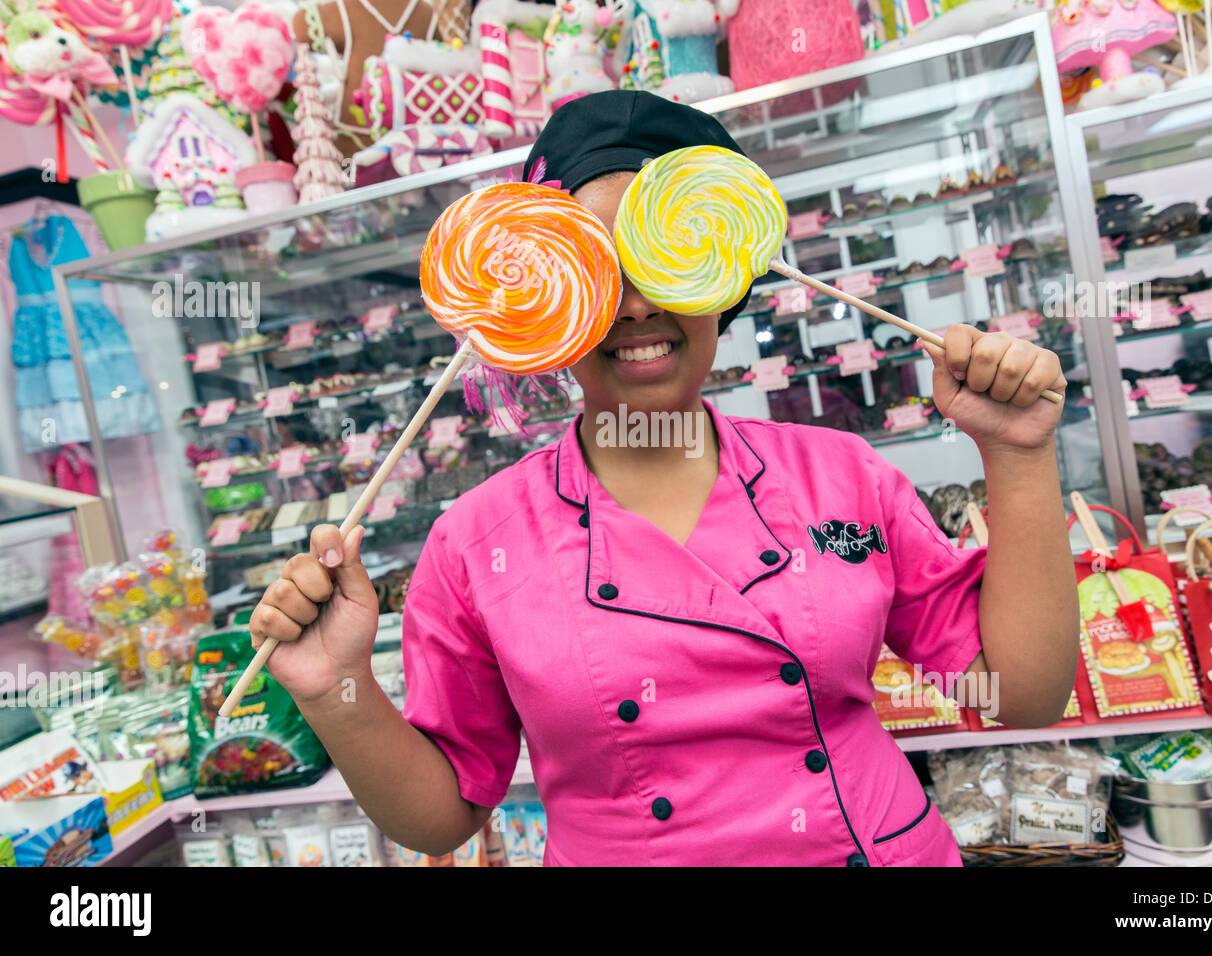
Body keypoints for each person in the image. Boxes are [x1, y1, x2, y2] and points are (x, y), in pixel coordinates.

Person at [249, 90, 1080, 866]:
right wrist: (337, 690)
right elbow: (442, 816)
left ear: (726, 272)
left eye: (666, 259)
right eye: (597, 268)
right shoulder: (476, 544)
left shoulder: (841, 477)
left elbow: (1022, 694)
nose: (636, 305)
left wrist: (1016, 456)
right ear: (540, 300)